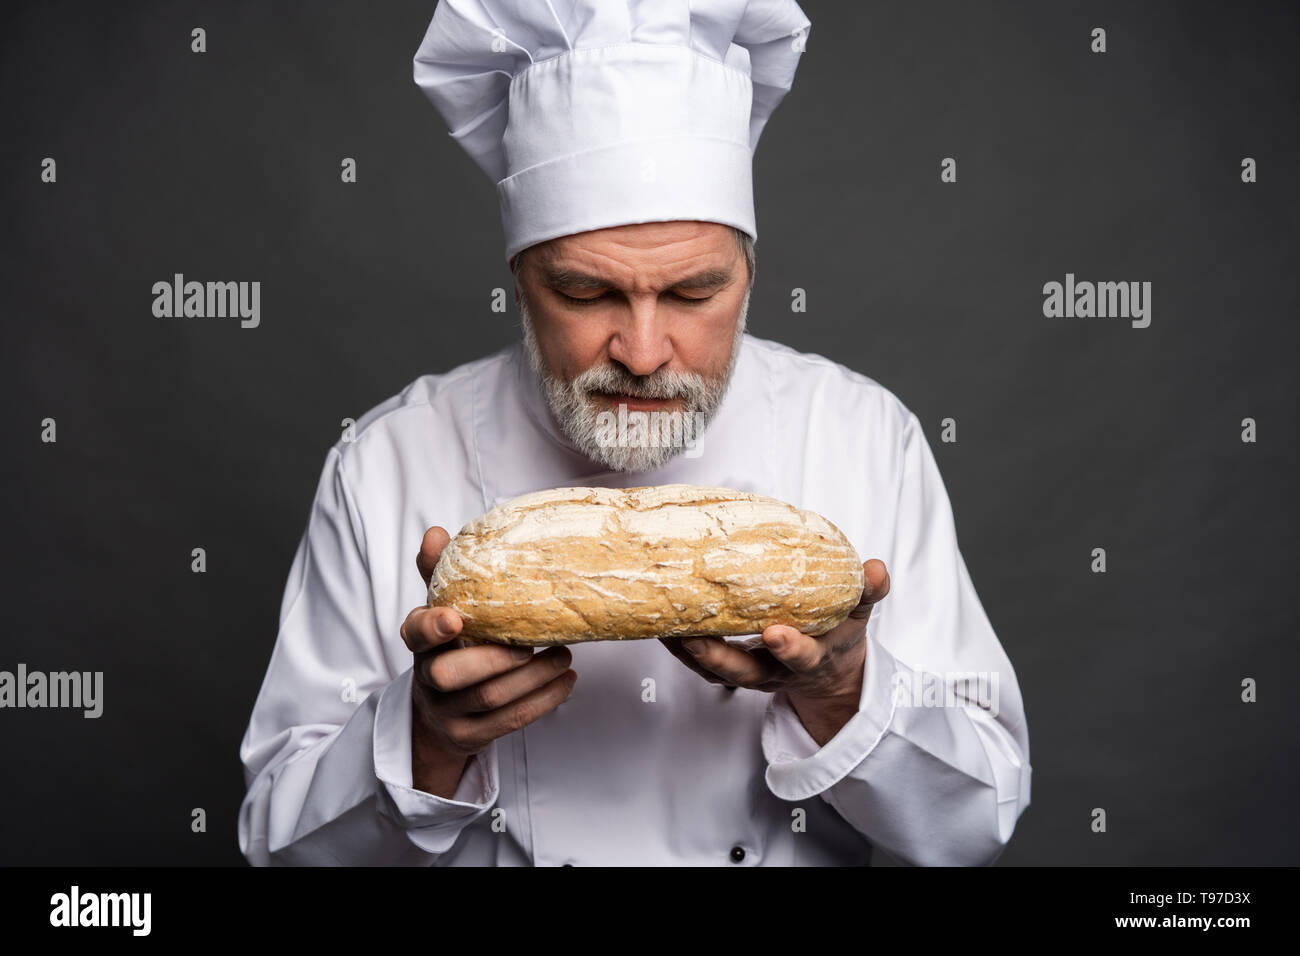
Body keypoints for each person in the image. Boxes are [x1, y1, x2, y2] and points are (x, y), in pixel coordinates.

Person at [238, 0, 1031, 866]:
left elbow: (979, 818)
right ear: (518, 276)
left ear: (750, 274)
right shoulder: (388, 462)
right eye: (586, 294)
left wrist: (845, 693)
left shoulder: (861, 436)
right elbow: (279, 845)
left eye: (694, 294)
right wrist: (424, 741)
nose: (645, 353)